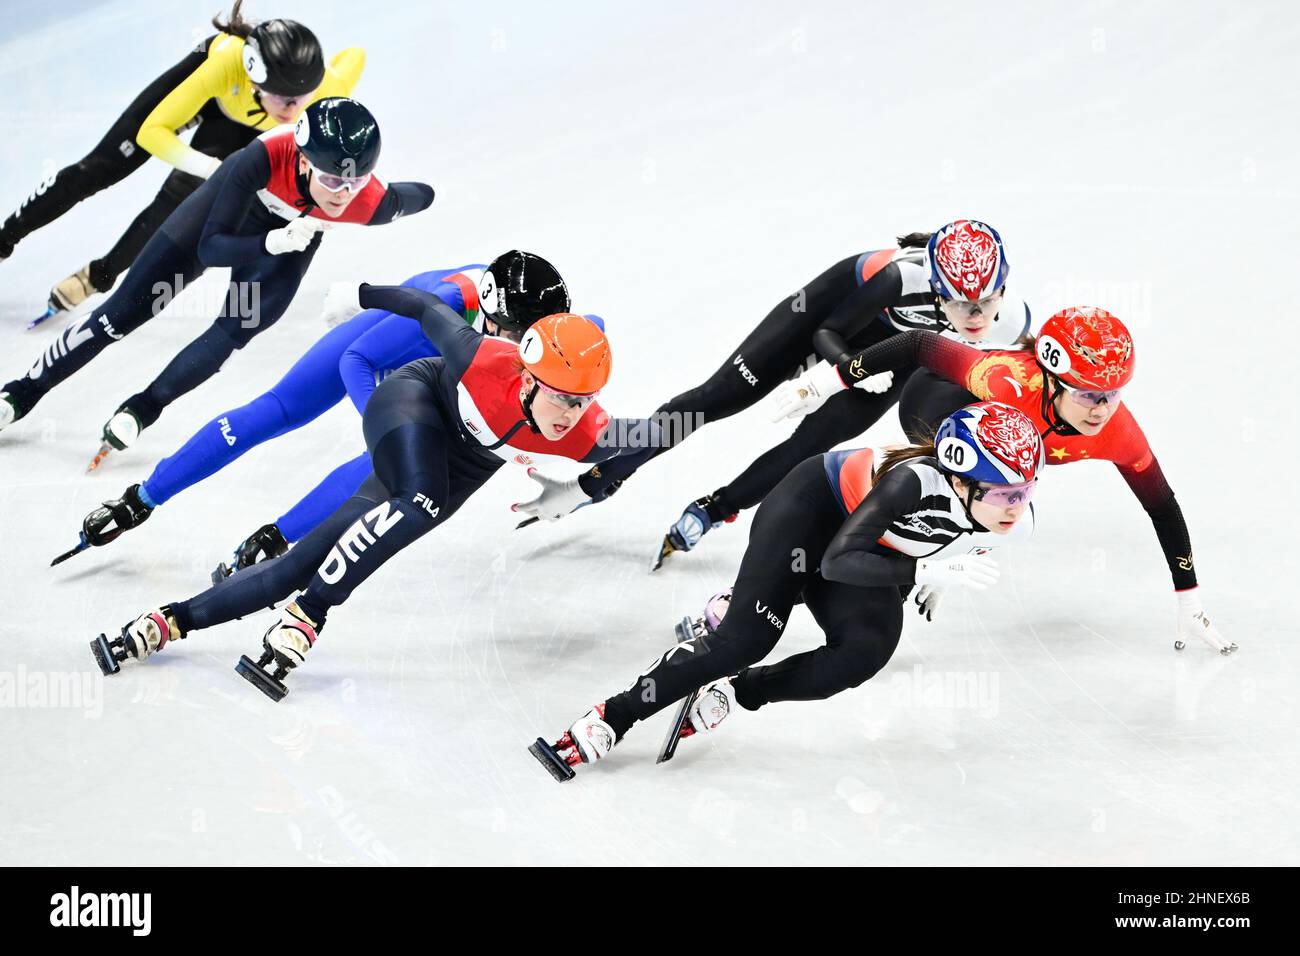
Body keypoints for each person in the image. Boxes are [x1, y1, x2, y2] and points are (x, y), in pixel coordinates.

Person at [88, 285, 657, 702]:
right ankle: (309, 617)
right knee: (421, 500)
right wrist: (360, 294)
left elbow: (663, 432)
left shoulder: (587, 434)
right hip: (413, 404)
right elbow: (425, 308)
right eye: (563, 399)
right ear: (529, 379)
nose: (573, 415)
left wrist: (590, 486)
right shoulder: (482, 358)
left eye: (584, 401)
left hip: (458, 466)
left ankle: (166, 622)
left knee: (302, 564)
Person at [529, 401, 1044, 780]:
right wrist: (924, 573)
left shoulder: (1013, 517)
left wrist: (947, 569)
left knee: (866, 652)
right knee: (744, 643)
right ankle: (612, 716)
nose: (1015, 506)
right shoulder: (909, 484)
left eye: (1025, 492)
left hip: (872, 546)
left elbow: (978, 538)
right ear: (958, 483)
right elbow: (839, 560)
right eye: (1003, 494)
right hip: (810, 512)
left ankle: (740, 691)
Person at [769, 305, 1236, 655]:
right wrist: (824, 384)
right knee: (921, 523)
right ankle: (772, 588)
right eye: (1089, 394)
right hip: (939, 405)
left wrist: (1188, 596)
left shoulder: (1119, 432)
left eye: (1112, 395)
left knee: (1005, 513)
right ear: (1053, 378)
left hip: (1005, 449)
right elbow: (916, 345)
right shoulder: (1005, 379)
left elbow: (1162, 506)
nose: (1102, 409)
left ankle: (824, 587)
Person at [65, 252, 578, 569]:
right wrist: (380, 422)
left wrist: (583, 485)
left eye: (533, 339)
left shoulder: (548, 331)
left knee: (395, 466)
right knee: (279, 410)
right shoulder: (450, 304)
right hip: (383, 342)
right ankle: (141, 498)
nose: (523, 348)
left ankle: (276, 538)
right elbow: (358, 360)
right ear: (488, 317)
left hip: (445, 363)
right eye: (514, 337)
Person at [0, 98, 434, 469]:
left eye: (355, 180)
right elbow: (211, 249)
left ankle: (143, 408)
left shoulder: (368, 202)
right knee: (120, 316)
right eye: (332, 179)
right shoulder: (263, 158)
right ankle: (21, 393)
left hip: (283, 247)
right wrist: (273, 240)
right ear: (303, 160)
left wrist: (376, 197)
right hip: (221, 227)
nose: (343, 194)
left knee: (233, 328)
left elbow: (422, 194)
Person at [613, 219, 1031, 568]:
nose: (974, 318)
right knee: (719, 397)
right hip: (828, 318)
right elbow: (826, 331)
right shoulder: (899, 278)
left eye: (986, 302)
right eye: (959, 303)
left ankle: (713, 510)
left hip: (898, 353)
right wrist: (849, 367)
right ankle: (614, 468)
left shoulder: (1010, 324)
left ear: (1004, 290)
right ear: (937, 289)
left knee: (810, 445)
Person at [0, 1, 364, 326]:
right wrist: (210, 169)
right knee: (95, 170)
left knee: (177, 203)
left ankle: (99, 275)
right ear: (254, 77)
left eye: (304, 98)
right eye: (285, 100)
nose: (294, 110)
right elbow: (151, 133)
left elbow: (355, 55)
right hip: (210, 97)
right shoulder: (225, 62)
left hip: (233, 126)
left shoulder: (328, 92)